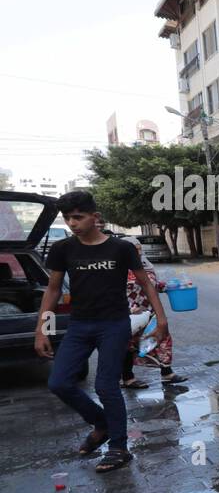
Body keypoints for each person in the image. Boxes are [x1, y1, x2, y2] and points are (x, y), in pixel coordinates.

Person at [35, 191, 169, 473]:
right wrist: (42, 330)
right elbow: (53, 290)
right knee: (59, 382)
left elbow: (146, 284)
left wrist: (161, 319)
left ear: (95, 217)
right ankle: (103, 424)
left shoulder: (121, 248)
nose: (72, 223)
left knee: (106, 385)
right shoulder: (63, 249)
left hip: (114, 324)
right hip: (80, 325)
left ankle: (118, 447)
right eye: (67, 218)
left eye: (78, 217)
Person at [120, 236, 184, 388]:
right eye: (133, 250)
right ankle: (127, 378)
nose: (137, 252)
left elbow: (151, 285)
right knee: (129, 345)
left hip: (151, 312)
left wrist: (166, 286)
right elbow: (110, 293)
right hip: (130, 314)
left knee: (162, 338)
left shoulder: (145, 266)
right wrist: (129, 308)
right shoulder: (118, 269)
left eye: (138, 249)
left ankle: (167, 373)